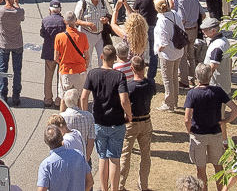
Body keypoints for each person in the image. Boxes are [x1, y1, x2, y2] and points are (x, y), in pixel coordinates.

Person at [184, 63, 237, 191]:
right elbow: (235, 110)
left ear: (196, 77)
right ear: (210, 76)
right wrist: (225, 120)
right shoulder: (218, 91)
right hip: (216, 134)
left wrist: (190, 130)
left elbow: (187, 118)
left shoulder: (192, 94)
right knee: (219, 167)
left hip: (198, 135)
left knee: (201, 169)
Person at [84, 44, 133, 191]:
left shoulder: (92, 74)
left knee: (102, 157)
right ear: (115, 59)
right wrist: (129, 114)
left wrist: (86, 113)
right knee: (115, 157)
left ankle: (104, 188)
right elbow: (124, 99)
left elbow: (84, 97)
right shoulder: (119, 76)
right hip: (116, 122)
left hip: (99, 121)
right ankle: (115, 188)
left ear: (101, 57)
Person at [121, 54, 156, 191]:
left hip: (131, 122)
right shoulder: (150, 84)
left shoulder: (129, 87)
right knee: (145, 156)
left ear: (132, 68)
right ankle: (144, 185)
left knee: (125, 155)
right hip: (146, 121)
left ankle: (120, 185)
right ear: (144, 67)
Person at [0, 0, 25, 106]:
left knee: (3, 71)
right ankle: (16, 96)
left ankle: (3, 96)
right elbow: (21, 16)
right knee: (17, 71)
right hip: (17, 44)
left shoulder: (0, 11)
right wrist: (16, 3)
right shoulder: (19, 11)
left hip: (3, 44)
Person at [154, 0, 186, 111]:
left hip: (167, 54)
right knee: (174, 78)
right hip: (178, 50)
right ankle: (175, 101)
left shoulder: (162, 21)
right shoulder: (174, 14)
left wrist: (159, 50)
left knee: (167, 79)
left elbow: (164, 42)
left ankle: (169, 104)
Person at [37, 122, 89, 191]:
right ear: (62, 137)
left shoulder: (46, 165)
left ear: (46, 142)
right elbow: (90, 182)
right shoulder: (79, 155)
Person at [54, 10, 90, 99]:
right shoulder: (83, 36)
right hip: (80, 70)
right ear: (76, 21)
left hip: (65, 70)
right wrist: (85, 65)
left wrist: (63, 63)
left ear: (64, 21)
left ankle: (63, 113)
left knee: (64, 98)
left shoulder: (59, 37)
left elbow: (56, 58)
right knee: (80, 98)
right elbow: (87, 56)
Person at [39, 0, 67, 109]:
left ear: (50, 9)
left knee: (48, 76)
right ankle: (59, 100)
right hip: (62, 53)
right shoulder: (64, 21)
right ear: (60, 9)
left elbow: (42, 34)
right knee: (60, 77)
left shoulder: (45, 20)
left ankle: (47, 99)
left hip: (49, 51)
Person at [75, 0, 110, 68]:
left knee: (103, 58)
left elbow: (108, 15)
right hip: (87, 35)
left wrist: (106, 19)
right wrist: (88, 24)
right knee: (87, 59)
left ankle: (101, 77)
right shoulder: (82, 3)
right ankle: (88, 78)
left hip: (100, 35)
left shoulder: (102, 2)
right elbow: (75, 20)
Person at [202, 17, 232, 96]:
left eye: (205, 29)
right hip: (224, 84)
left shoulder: (217, 46)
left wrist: (203, 83)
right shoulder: (224, 40)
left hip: (216, 87)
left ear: (213, 31)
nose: (203, 31)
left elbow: (213, 67)